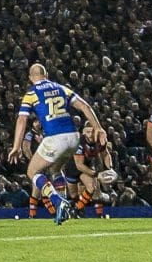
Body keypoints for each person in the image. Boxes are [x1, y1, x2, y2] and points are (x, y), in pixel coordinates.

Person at [9, 62, 104, 225]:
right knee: (56, 169)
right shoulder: (61, 88)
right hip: (74, 137)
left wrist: (16, 146)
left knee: (32, 172)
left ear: (31, 78)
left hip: (55, 137)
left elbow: (22, 119)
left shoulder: (32, 93)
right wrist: (98, 128)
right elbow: (85, 106)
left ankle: (58, 201)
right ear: (46, 76)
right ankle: (64, 205)